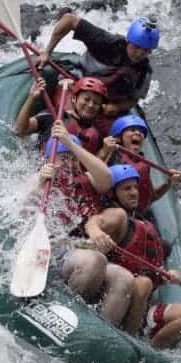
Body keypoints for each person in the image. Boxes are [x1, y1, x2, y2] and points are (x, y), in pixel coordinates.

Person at [84, 164, 181, 349]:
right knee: (143, 283)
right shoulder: (117, 215)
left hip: (142, 310)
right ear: (113, 193)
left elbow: (150, 268)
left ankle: (149, 352)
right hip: (118, 301)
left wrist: (167, 275)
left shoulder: (144, 223)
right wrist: (94, 230)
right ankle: (129, 342)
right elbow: (96, 220)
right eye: (126, 188)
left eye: (135, 187)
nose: (133, 193)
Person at [37, 121, 132, 325]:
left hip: (75, 251)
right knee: (94, 260)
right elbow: (19, 207)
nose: (68, 163)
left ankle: (102, 333)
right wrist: (38, 182)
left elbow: (106, 177)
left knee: (123, 278)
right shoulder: (41, 180)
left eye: (72, 159)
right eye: (63, 158)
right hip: (48, 254)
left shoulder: (85, 180)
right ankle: (65, 320)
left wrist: (70, 144)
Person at [35, 14, 160, 116]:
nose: (139, 53)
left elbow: (133, 100)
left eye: (145, 50)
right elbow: (69, 20)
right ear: (128, 41)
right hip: (75, 83)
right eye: (136, 47)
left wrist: (117, 106)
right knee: (71, 118)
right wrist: (47, 52)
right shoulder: (106, 43)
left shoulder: (144, 71)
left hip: (103, 101)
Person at [98, 114, 180, 216]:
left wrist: (169, 183)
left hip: (141, 215)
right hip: (119, 217)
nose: (138, 133)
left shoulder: (143, 163)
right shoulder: (112, 156)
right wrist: (105, 151)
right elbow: (95, 173)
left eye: (141, 131)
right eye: (132, 130)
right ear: (118, 138)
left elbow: (152, 197)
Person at [14, 77, 111, 154]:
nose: (90, 105)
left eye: (96, 102)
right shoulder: (55, 115)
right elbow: (20, 129)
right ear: (74, 99)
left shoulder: (97, 134)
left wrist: (104, 152)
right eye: (86, 99)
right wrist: (31, 98)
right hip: (41, 169)